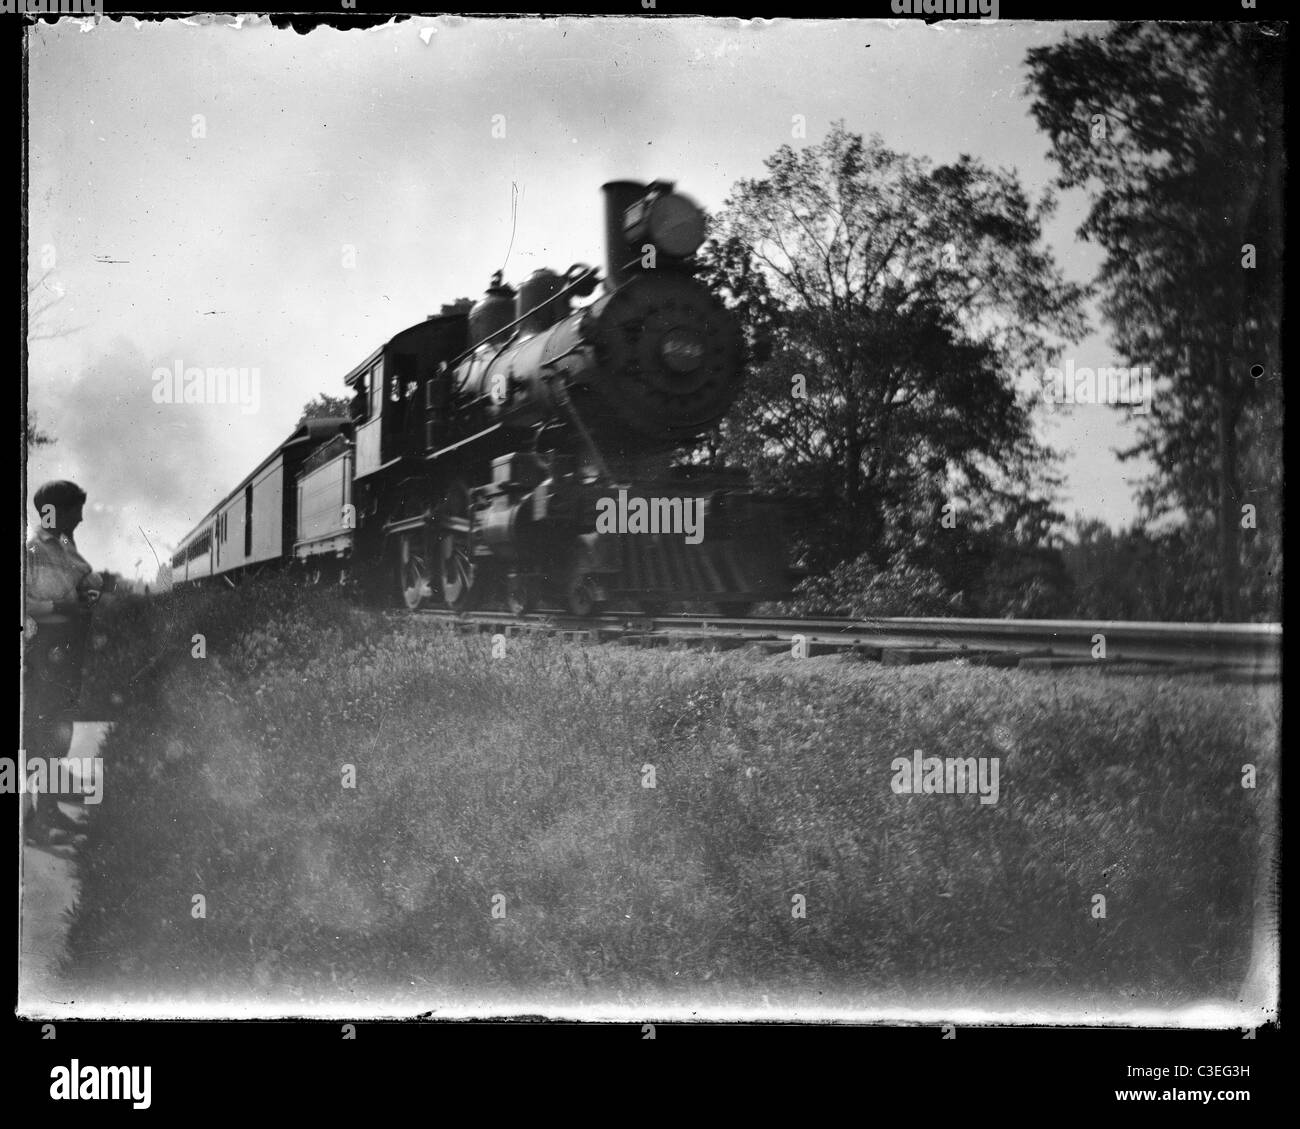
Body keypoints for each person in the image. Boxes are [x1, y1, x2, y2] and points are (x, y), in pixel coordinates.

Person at [23, 480, 102, 846]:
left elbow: (85, 576)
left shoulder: (65, 546)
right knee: (44, 737)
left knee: (61, 736)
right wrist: (63, 607)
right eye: (76, 511)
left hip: (66, 656)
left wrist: (90, 586)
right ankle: (38, 823)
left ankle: (48, 811)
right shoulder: (33, 549)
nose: (81, 519)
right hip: (43, 657)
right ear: (56, 510)